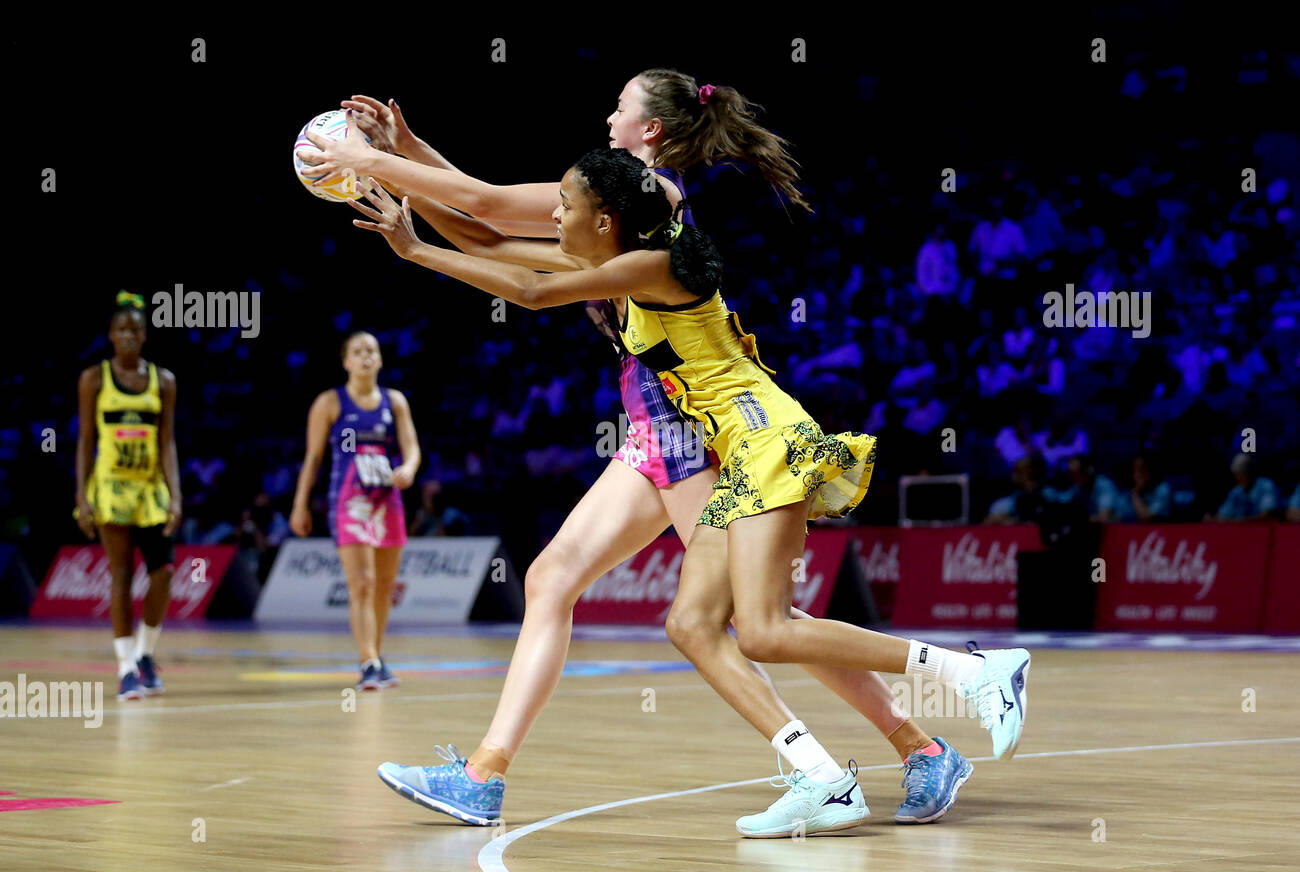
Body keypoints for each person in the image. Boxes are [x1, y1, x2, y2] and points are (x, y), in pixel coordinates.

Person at [299, 76, 980, 829]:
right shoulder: (604, 200)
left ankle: (899, 749)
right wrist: (403, 154)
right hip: (651, 428)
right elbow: (486, 225)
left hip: (692, 431)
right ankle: (484, 776)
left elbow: (489, 213)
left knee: (757, 621)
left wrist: (366, 158)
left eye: (621, 105)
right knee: (553, 577)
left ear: (650, 131)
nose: (607, 114)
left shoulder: (650, 197)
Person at [290, 331, 420, 690]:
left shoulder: (394, 402)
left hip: (386, 502)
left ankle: (376, 655)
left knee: (383, 586)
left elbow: (412, 450)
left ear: (379, 360)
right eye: (358, 352)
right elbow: (313, 458)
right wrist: (300, 503)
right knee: (360, 584)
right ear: (345, 361)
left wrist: (407, 469)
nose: (366, 357)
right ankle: (368, 660)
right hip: (348, 503)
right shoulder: (330, 403)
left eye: (372, 351)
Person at [74, 291, 182, 701]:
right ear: (111, 335)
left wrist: (175, 495)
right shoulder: (94, 379)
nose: (128, 335)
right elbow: (85, 440)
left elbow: (168, 441)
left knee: (164, 573)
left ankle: (144, 654)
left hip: (150, 487)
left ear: (145, 334)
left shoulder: (164, 380)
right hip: (111, 487)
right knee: (120, 575)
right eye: (121, 329)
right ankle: (125, 669)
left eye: (135, 329)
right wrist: (83, 497)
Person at [1210, 453, 1280, 522]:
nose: (1238, 478)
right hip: (1241, 531)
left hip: (1264, 531)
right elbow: (1223, 515)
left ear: (1250, 472)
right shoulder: (1236, 491)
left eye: (1242, 474)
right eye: (1237, 475)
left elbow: (1266, 516)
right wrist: (1212, 519)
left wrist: (1234, 522)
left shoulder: (1266, 486)